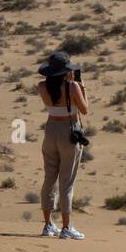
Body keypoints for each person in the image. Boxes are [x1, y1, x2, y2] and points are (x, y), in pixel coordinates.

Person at [37, 51, 90, 240]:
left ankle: (48, 224)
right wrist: (81, 86)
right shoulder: (72, 86)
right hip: (68, 130)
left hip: (50, 130)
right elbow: (85, 110)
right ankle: (66, 227)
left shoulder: (42, 86)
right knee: (66, 181)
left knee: (49, 178)